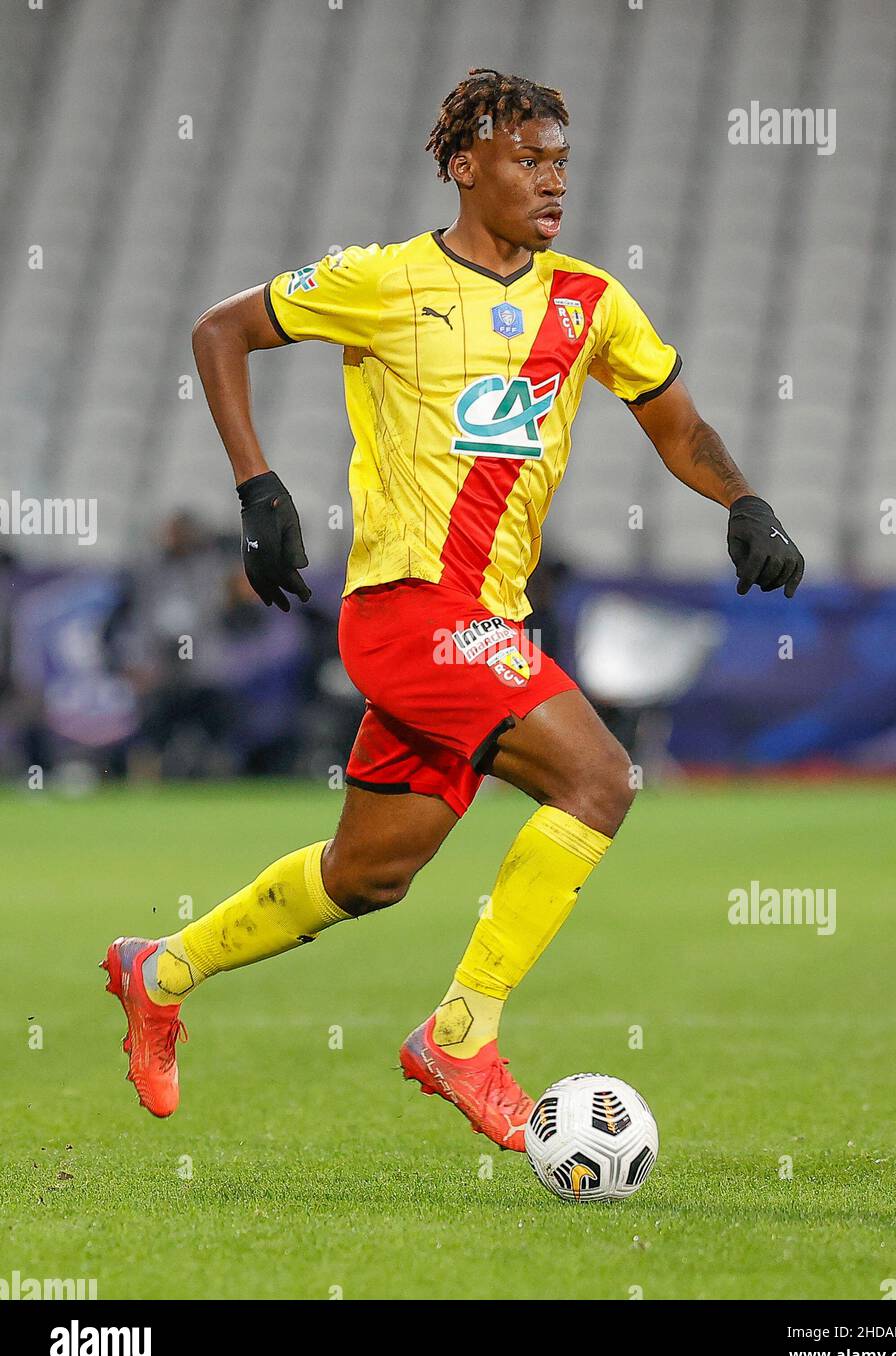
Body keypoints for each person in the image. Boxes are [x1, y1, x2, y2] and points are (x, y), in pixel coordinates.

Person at [102, 69, 803, 1150]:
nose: (551, 180)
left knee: (368, 874)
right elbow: (217, 331)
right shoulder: (382, 279)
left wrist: (742, 498)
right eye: (529, 159)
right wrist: (258, 485)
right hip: (407, 610)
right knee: (598, 777)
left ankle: (160, 968)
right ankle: (460, 1036)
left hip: (490, 623)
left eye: (560, 161)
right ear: (465, 165)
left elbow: (672, 420)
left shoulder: (588, 301)